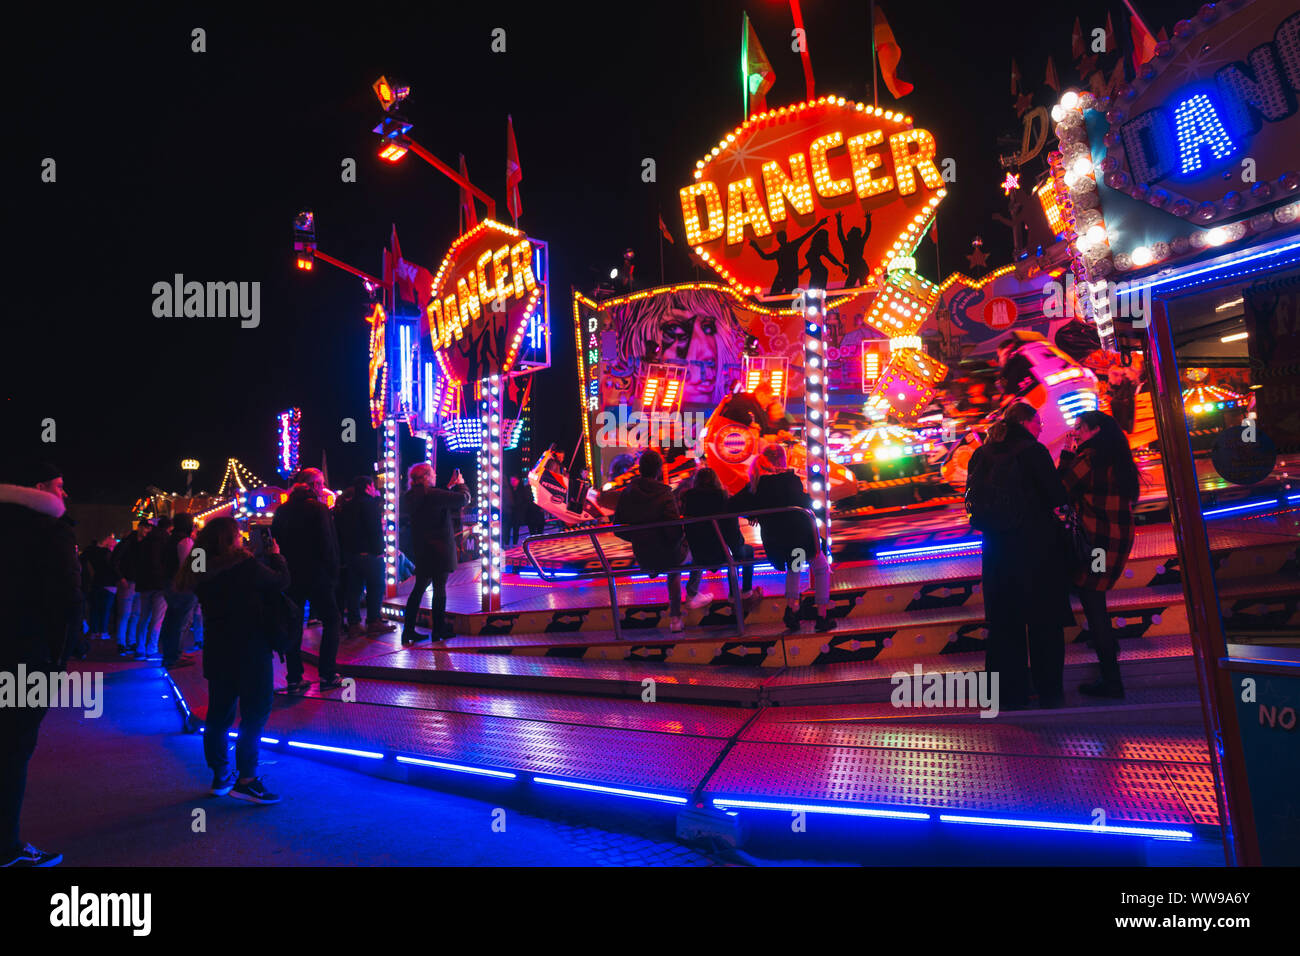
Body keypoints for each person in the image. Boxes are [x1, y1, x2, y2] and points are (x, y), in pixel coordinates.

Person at [966, 402, 1069, 709]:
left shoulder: (981, 453)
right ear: (1025, 422)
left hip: (997, 549)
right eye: (1038, 422)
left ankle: (1008, 695)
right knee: (1044, 623)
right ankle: (1049, 691)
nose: (1041, 428)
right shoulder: (1033, 452)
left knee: (1004, 625)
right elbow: (1056, 497)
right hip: (1036, 548)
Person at [0, 461, 79, 866]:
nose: (64, 494)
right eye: (60, 486)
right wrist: (61, 654)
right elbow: (64, 598)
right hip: (25, 656)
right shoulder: (49, 530)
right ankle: (5, 846)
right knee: (13, 749)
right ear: (40, 487)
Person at [188, 516, 288, 804]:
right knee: (255, 713)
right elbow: (281, 581)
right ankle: (247, 779)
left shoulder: (200, 567)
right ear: (229, 540)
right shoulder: (245, 566)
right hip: (250, 647)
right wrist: (277, 556)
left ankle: (220, 775)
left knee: (219, 715)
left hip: (218, 649)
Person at [1058, 410, 1140, 698]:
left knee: (1093, 603)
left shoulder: (1089, 458)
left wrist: (1066, 454)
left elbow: (1061, 489)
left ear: (1094, 430)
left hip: (1095, 544)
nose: (1075, 432)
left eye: (1079, 427)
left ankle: (1112, 679)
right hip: (1115, 540)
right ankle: (1108, 647)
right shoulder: (1119, 458)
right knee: (1094, 597)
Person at [731, 446, 835, 632]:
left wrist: (752, 515)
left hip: (778, 542)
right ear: (781, 460)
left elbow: (733, 504)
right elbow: (806, 503)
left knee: (794, 567)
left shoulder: (756, 485)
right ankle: (822, 615)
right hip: (801, 537)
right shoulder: (790, 480)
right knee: (821, 568)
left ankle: (792, 609)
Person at [271, 468, 342, 693]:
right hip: (317, 573)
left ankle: (294, 676)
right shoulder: (318, 509)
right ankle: (327, 673)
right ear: (313, 485)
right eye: (320, 483)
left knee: (294, 623)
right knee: (332, 620)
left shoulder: (282, 511)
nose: (322, 487)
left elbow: (276, 542)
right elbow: (327, 545)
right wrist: (333, 572)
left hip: (292, 573)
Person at [613, 449, 689, 632]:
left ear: (640, 469)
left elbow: (618, 527)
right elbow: (674, 530)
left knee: (669, 556)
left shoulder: (628, 493)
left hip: (643, 554)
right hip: (668, 553)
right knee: (690, 553)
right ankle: (678, 615)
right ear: (658, 470)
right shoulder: (665, 494)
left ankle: (654, 569)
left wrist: (638, 538)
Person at [401, 464, 470, 644]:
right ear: (426, 476)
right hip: (440, 550)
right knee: (439, 590)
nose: (435, 474)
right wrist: (461, 484)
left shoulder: (410, 497)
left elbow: (433, 502)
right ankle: (438, 631)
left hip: (423, 550)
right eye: (432, 473)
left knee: (418, 590)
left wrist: (447, 488)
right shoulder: (434, 495)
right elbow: (463, 499)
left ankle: (407, 631)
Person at [680, 467, 762, 611]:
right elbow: (732, 533)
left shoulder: (688, 501)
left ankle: (692, 593)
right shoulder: (723, 498)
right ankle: (743, 593)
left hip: (699, 553)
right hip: (721, 553)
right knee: (745, 551)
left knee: (700, 549)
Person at [334, 475, 394, 639]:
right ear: (368, 487)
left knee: (354, 589)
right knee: (376, 586)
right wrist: (379, 550)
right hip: (369, 553)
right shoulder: (369, 504)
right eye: (373, 486)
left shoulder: (346, 506)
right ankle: (373, 620)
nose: (375, 489)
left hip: (351, 554)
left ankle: (354, 624)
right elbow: (374, 529)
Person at [159, 514, 198, 669]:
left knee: (172, 620)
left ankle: (171, 653)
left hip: (169, 584)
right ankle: (174, 656)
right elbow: (193, 566)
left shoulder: (169, 539)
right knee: (180, 622)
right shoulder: (186, 541)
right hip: (183, 586)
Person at [132, 516, 173, 660]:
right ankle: (152, 648)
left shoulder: (145, 541)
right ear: (169, 527)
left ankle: (139, 648)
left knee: (143, 617)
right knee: (157, 619)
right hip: (160, 584)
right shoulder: (167, 541)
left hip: (144, 583)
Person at [111, 520, 146, 655]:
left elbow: (114, 560)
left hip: (136, 582)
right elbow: (114, 561)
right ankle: (122, 642)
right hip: (130, 581)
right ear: (141, 527)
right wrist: (121, 578)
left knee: (133, 614)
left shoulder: (131, 542)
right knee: (126, 614)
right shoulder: (129, 543)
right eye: (146, 527)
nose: (147, 531)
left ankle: (128, 641)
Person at [83, 533, 117, 641]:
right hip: (109, 584)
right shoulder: (109, 554)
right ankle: (103, 631)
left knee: (95, 609)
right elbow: (114, 567)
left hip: (95, 583)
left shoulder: (90, 554)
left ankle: (93, 631)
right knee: (106, 610)